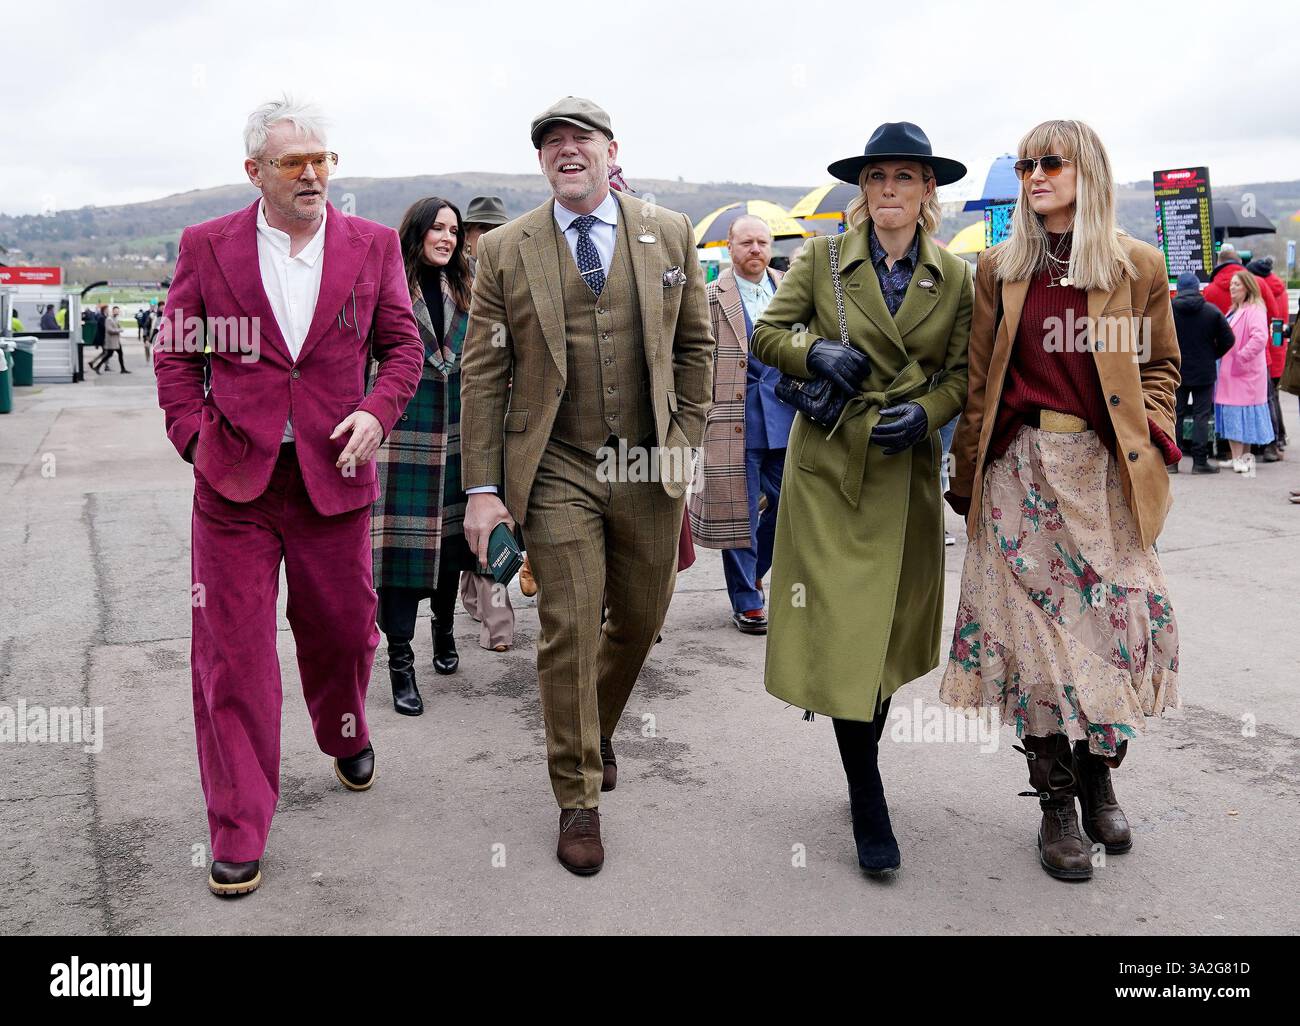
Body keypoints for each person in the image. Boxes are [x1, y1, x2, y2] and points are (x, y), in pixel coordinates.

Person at [152, 97, 424, 897]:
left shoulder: (371, 248)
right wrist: (197, 439)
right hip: (233, 488)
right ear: (255, 172)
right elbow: (177, 355)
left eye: (321, 160)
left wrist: (377, 413)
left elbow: (402, 347)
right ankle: (238, 824)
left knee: (342, 632)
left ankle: (343, 727)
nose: (312, 175)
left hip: (334, 480)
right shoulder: (207, 247)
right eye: (293, 163)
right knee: (232, 659)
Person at [460, 96, 713, 875]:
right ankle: (578, 798)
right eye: (552, 144)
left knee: (639, 618)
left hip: (647, 463)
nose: (566, 151)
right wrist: (482, 490)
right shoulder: (506, 249)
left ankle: (592, 724)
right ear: (542, 162)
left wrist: (685, 440)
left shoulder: (666, 231)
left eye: (581, 140)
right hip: (559, 464)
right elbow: (483, 374)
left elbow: (698, 344)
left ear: (611, 149)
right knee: (568, 626)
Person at [942, 119, 1182, 883]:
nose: (1034, 174)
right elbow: (981, 385)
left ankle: (1099, 776)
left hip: (1104, 475)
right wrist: (965, 473)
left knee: (1114, 629)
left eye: (1050, 161)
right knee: (1040, 644)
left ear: (1088, 170)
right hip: (1020, 472)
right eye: (1025, 165)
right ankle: (1054, 803)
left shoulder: (1135, 265)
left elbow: (1163, 367)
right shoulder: (1000, 270)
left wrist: (1150, 435)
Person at [751, 122, 973, 877]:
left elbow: (959, 377)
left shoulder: (955, 276)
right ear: (863, 190)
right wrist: (814, 350)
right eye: (876, 178)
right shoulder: (820, 257)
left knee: (879, 641)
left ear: (927, 192)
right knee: (844, 630)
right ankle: (867, 793)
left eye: (904, 178)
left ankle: (860, 773)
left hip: (901, 473)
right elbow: (767, 336)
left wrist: (931, 414)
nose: (888, 192)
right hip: (829, 472)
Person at [371, 196, 480, 714]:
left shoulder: (470, 285)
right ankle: (400, 663)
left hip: (459, 432)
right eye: (437, 229)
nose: (447, 238)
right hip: (403, 438)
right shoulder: (385, 283)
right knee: (400, 557)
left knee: (452, 547)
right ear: (415, 232)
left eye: (454, 231)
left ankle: (444, 629)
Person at [688, 214, 791, 634]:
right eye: (746, 242)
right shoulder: (710, 295)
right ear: (729, 248)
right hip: (732, 420)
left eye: (762, 242)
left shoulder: (789, 289)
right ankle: (748, 600)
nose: (755, 250)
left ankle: (755, 572)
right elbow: (695, 356)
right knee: (739, 514)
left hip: (787, 417)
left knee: (791, 508)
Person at [455, 198, 519, 647]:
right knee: (472, 510)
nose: (488, 238)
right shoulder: (451, 280)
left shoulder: (510, 273)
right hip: (459, 410)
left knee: (497, 513)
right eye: (481, 231)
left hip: (511, 407)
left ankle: (494, 615)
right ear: (469, 236)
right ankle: (493, 615)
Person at [1170, 270, 1234, 474]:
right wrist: (1213, 355)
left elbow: (1155, 337)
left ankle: (1172, 461)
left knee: (1175, 414)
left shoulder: (1168, 311)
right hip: (1204, 372)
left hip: (1176, 369)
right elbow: (1229, 339)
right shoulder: (1212, 312)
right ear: (1198, 289)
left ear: (1178, 289)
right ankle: (1199, 461)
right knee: (1201, 415)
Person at [1215, 270, 1273, 473]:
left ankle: (1240, 458)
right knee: (1239, 414)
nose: (1232, 287)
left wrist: (1241, 357)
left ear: (1248, 287)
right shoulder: (1234, 310)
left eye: (1237, 284)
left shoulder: (1254, 310)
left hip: (1243, 372)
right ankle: (1241, 457)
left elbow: (1259, 338)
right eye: (1231, 284)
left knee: (1237, 415)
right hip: (1233, 373)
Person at [1246, 256, 1289, 460]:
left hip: (1266, 351)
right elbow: (1279, 320)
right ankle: (1280, 436)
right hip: (1277, 347)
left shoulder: (1259, 288)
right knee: (1274, 397)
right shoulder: (1279, 287)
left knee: (1268, 397)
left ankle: (1274, 439)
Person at [91, 306, 129, 373]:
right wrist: (119, 330)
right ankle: (97, 367)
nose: (117, 312)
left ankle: (122, 369)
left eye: (118, 311)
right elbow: (109, 330)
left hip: (115, 341)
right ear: (113, 311)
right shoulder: (109, 319)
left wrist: (119, 328)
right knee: (109, 355)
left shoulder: (114, 319)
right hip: (111, 341)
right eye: (116, 311)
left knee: (117, 354)